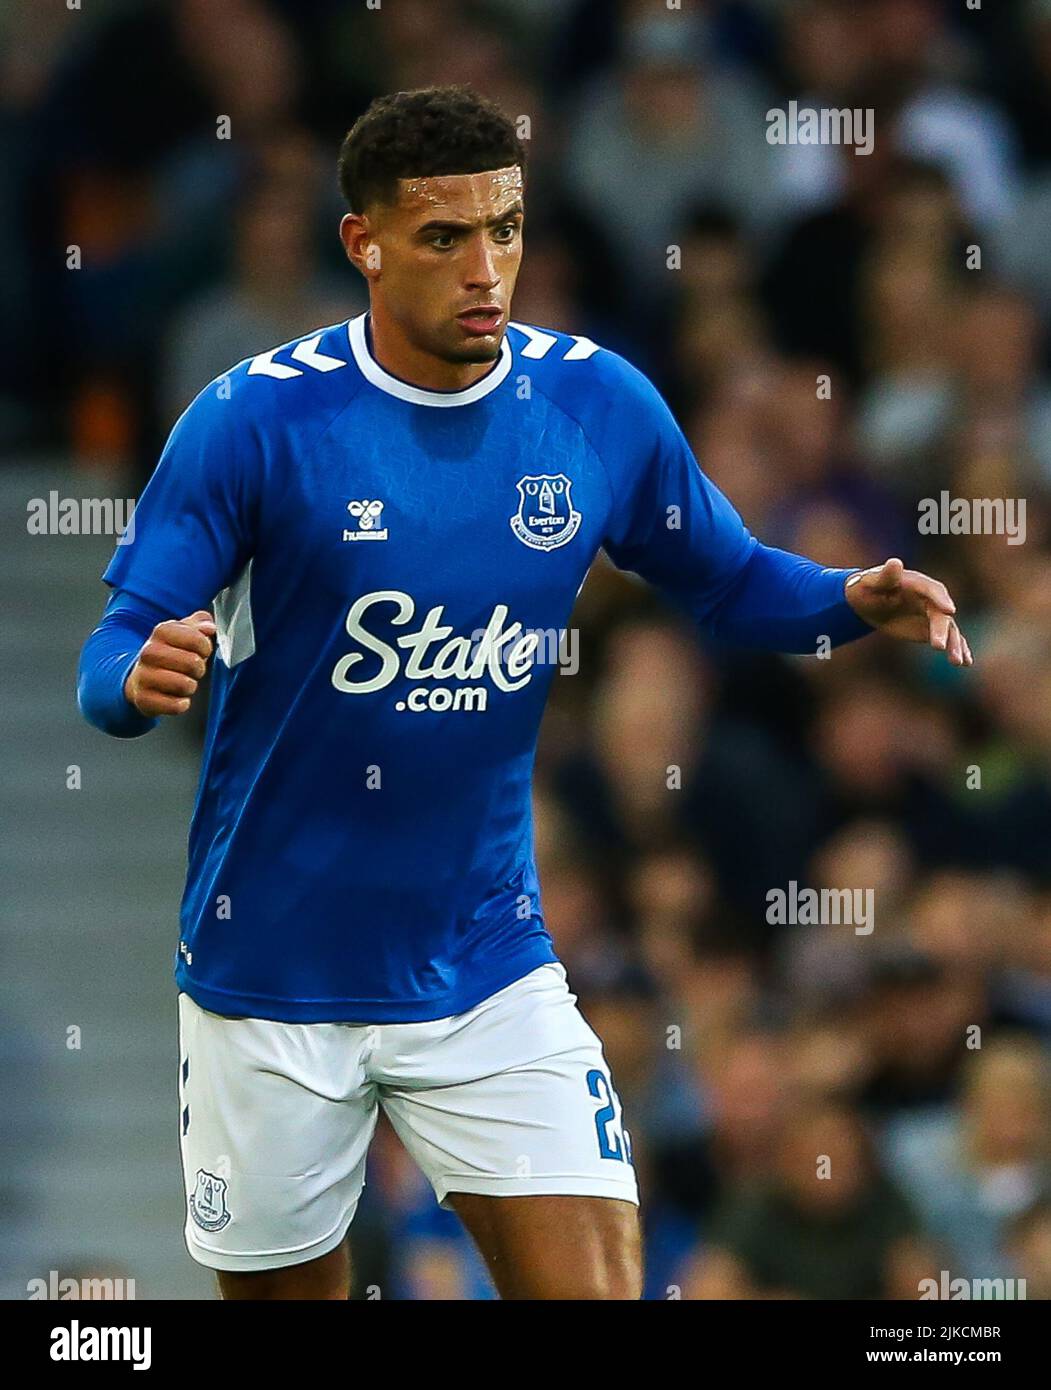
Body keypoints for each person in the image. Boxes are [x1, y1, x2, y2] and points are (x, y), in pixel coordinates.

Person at [76, 85, 971, 1301]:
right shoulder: (254, 422)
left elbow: (725, 578)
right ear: (364, 243)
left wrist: (841, 599)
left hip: (485, 958)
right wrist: (133, 681)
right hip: (272, 973)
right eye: (443, 236)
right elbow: (112, 650)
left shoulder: (594, 404)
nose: (484, 265)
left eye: (503, 228)